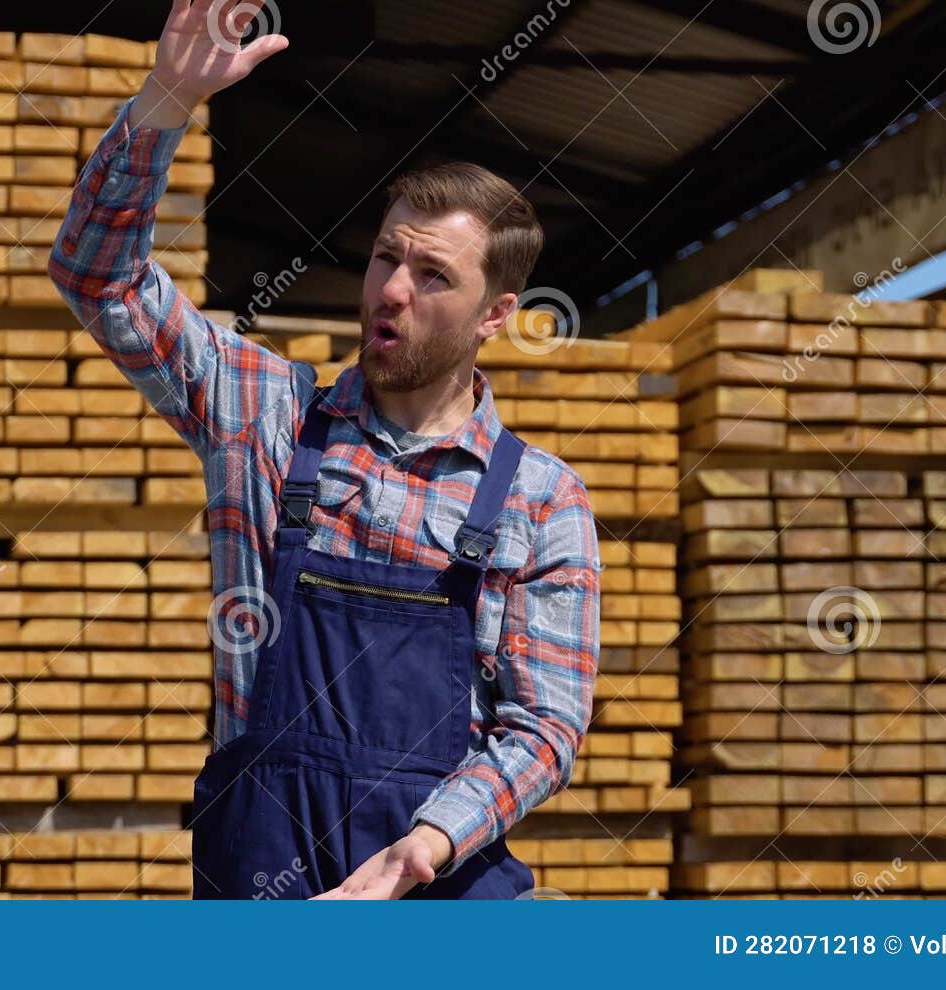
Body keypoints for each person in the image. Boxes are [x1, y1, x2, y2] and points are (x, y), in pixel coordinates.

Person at [49, 0, 600, 900]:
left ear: (497, 313)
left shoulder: (542, 500)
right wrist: (164, 100)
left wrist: (417, 848)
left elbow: (542, 729)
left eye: (433, 277)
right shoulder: (259, 413)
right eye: (387, 258)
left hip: (434, 884)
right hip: (260, 865)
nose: (392, 290)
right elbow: (94, 274)